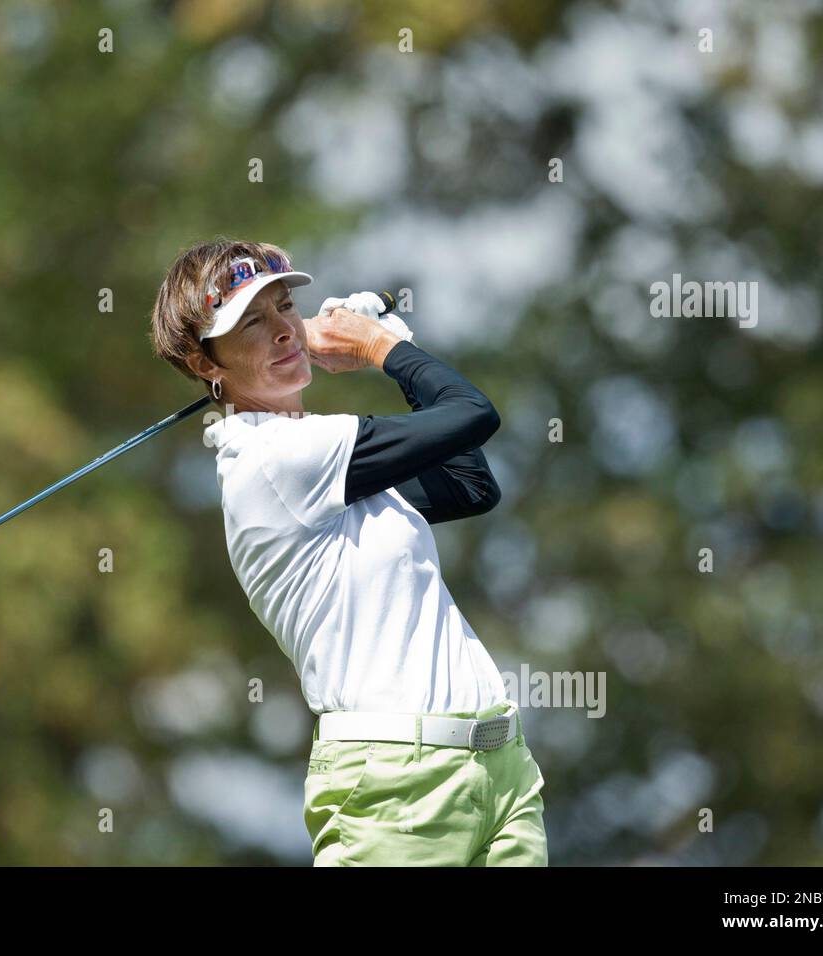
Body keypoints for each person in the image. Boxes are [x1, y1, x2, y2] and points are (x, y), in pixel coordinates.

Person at [148, 237, 546, 866]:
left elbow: (470, 484)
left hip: (500, 767)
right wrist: (383, 350)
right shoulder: (275, 459)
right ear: (206, 364)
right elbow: (473, 413)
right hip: (396, 786)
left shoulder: (329, 465)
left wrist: (390, 334)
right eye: (252, 322)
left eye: (284, 308)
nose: (284, 331)